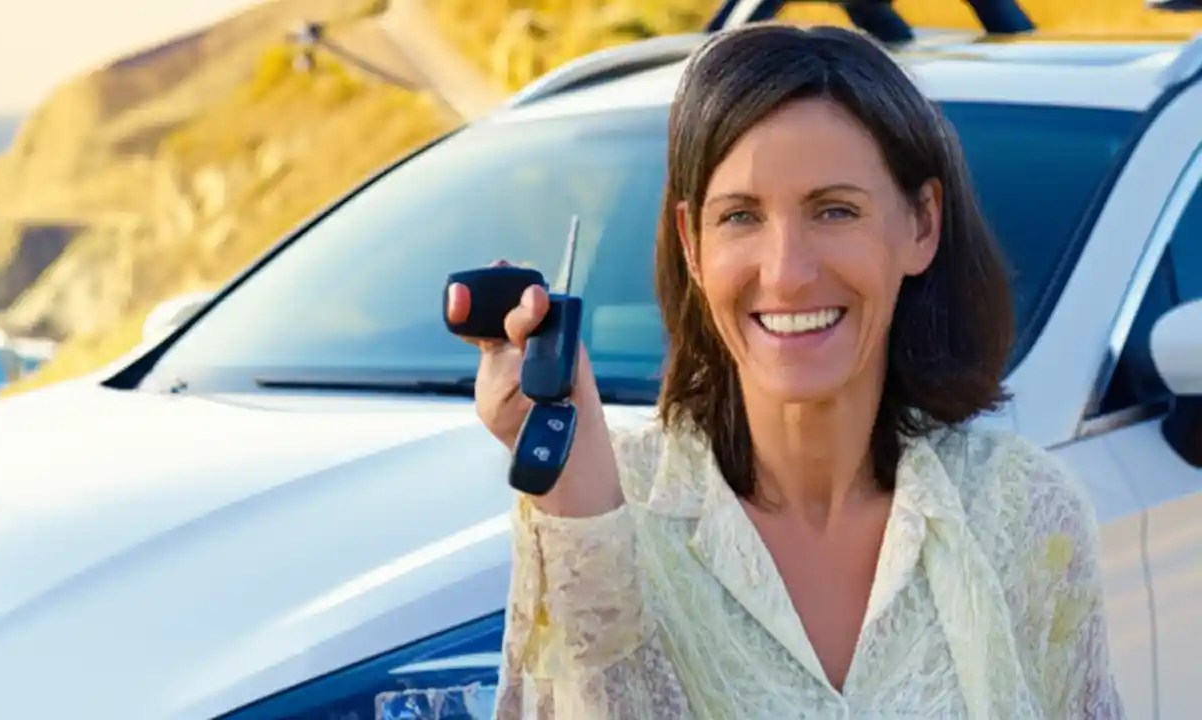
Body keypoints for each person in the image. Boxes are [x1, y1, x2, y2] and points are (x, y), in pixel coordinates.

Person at [445, 23, 1125, 720]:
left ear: (921, 225)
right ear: (692, 244)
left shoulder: (1024, 511)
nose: (788, 273)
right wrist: (582, 508)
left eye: (835, 211)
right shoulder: (593, 507)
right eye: (741, 217)